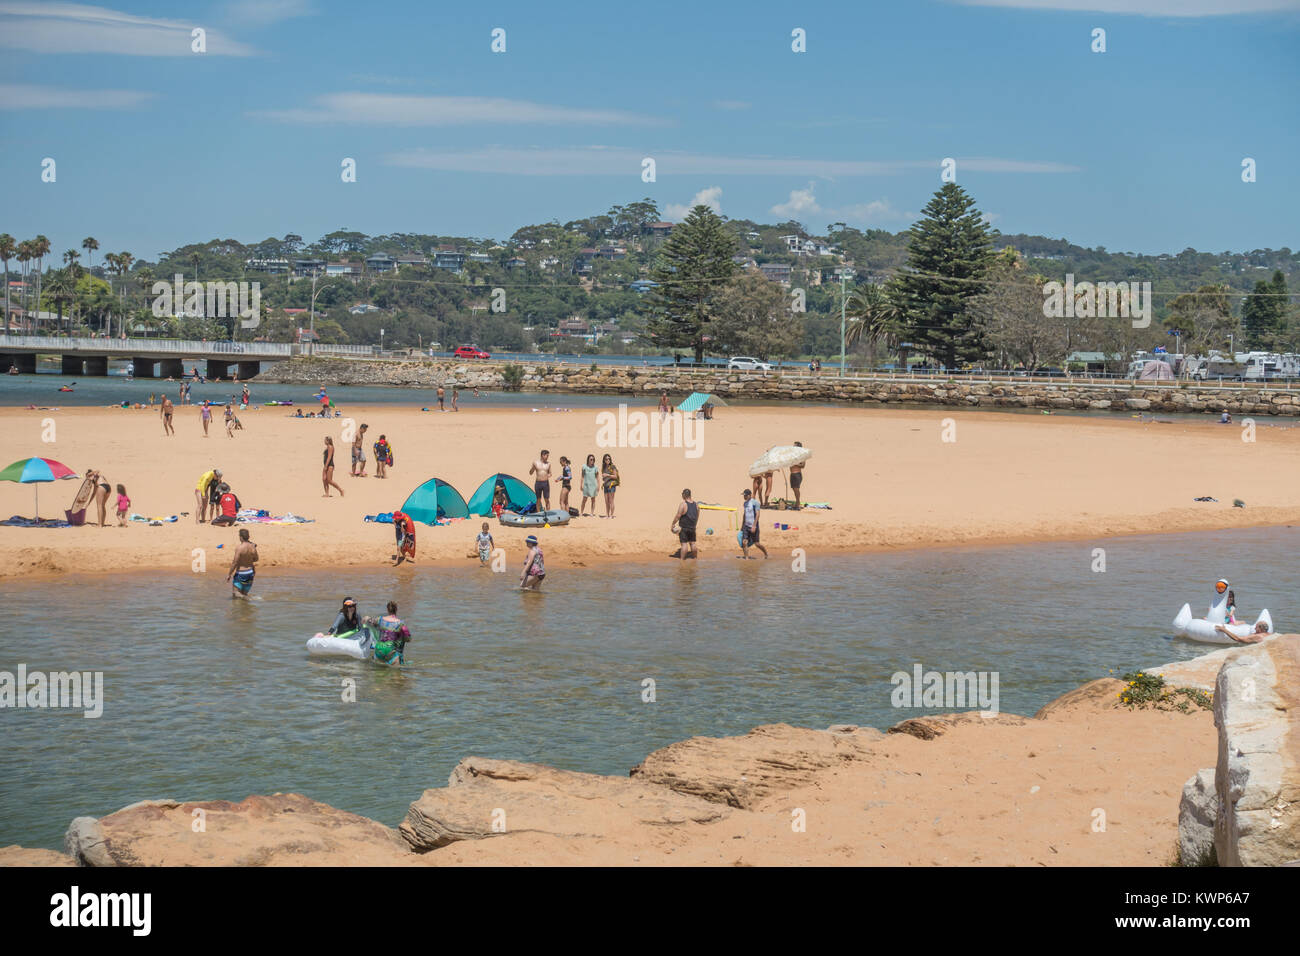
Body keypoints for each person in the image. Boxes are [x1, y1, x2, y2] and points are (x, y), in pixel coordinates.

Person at [226, 527, 258, 598]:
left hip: (241, 573)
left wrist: (229, 574)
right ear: (248, 537)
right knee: (244, 593)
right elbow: (256, 559)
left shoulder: (239, 548)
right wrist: (248, 559)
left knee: (236, 593)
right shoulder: (253, 547)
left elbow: (235, 562)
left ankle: (248, 598)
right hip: (250, 572)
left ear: (241, 537)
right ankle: (246, 600)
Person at [671, 488, 699, 559]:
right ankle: (695, 558)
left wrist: (673, 524)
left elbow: (678, 515)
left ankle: (682, 560)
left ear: (684, 495)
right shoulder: (696, 505)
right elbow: (697, 516)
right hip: (692, 527)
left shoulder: (683, 504)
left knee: (684, 544)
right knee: (692, 543)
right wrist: (694, 525)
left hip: (684, 527)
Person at [740, 488, 767, 559]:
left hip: (753, 526)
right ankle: (746, 558)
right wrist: (742, 526)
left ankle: (766, 553)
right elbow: (744, 514)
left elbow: (758, 514)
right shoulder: (745, 503)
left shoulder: (755, 503)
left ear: (750, 495)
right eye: (744, 495)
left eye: (745, 495)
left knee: (757, 544)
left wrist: (754, 526)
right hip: (746, 526)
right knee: (744, 542)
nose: (744, 497)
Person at [601, 453, 619, 518]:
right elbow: (603, 477)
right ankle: (607, 514)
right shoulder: (604, 467)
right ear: (604, 460)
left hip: (611, 486)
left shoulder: (613, 466)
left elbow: (615, 476)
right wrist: (604, 477)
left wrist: (607, 475)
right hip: (605, 485)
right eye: (606, 459)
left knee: (611, 501)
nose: (608, 460)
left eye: (609, 459)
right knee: (606, 501)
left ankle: (611, 515)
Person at [789, 441, 805, 510]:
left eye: (794, 446)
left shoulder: (801, 455)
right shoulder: (793, 455)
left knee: (796, 489)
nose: (793, 447)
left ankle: (798, 503)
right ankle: (797, 502)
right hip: (792, 474)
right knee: (794, 489)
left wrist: (795, 463)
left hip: (797, 474)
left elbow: (803, 465)